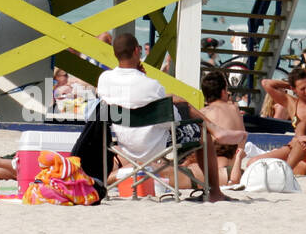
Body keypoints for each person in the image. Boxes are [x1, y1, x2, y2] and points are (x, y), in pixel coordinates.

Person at [95, 33, 240, 201]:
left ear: (115, 54)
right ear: (137, 51)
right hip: (154, 145)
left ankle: (216, 130)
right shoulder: (151, 85)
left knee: (175, 101)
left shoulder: (104, 79)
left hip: (124, 144)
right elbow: (173, 120)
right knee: (202, 132)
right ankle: (215, 191)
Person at [189, 72, 247, 185]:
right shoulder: (234, 109)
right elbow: (242, 142)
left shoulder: (203, 113)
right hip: (233, 164)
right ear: (223, 92)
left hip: (215, 166)